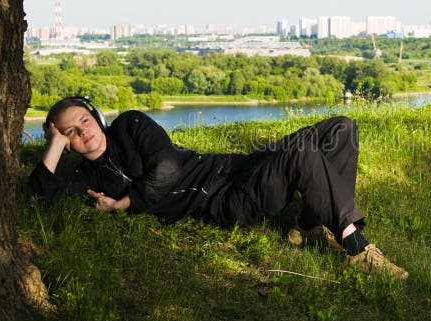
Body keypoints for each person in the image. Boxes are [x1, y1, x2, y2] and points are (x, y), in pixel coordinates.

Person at [29, 96, 408, 279]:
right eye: (71, 133)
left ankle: (310, 223)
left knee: (342, 128)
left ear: (96, 115)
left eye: (84, 120)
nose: (83, 132)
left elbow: (167, 167)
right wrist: (54, 145)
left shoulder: (129, 125)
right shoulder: (88, 179)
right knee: (304, 154)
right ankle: (355, 244)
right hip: (224, 200)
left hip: (233, 166)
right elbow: (39, 199)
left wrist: (122, 204)